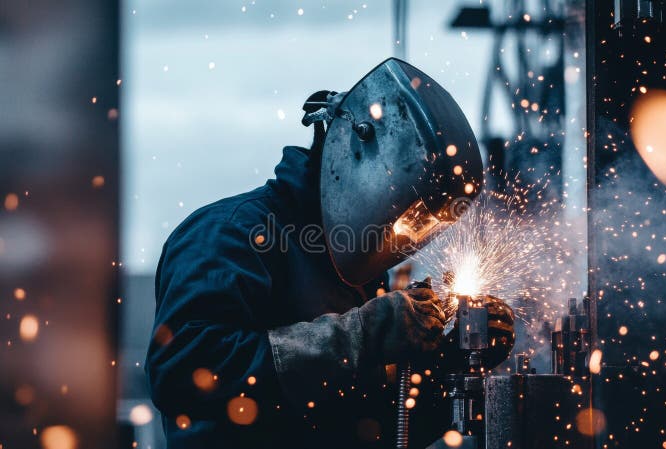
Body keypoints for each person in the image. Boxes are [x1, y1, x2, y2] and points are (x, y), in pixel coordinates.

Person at [145, 58, 515, 449]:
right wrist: (361, 335)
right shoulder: (229, 233)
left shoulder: (353, 268)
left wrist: (450, 365)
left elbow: (376, 427)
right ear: (360, 155)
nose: (404, 230)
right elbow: (181, 373)